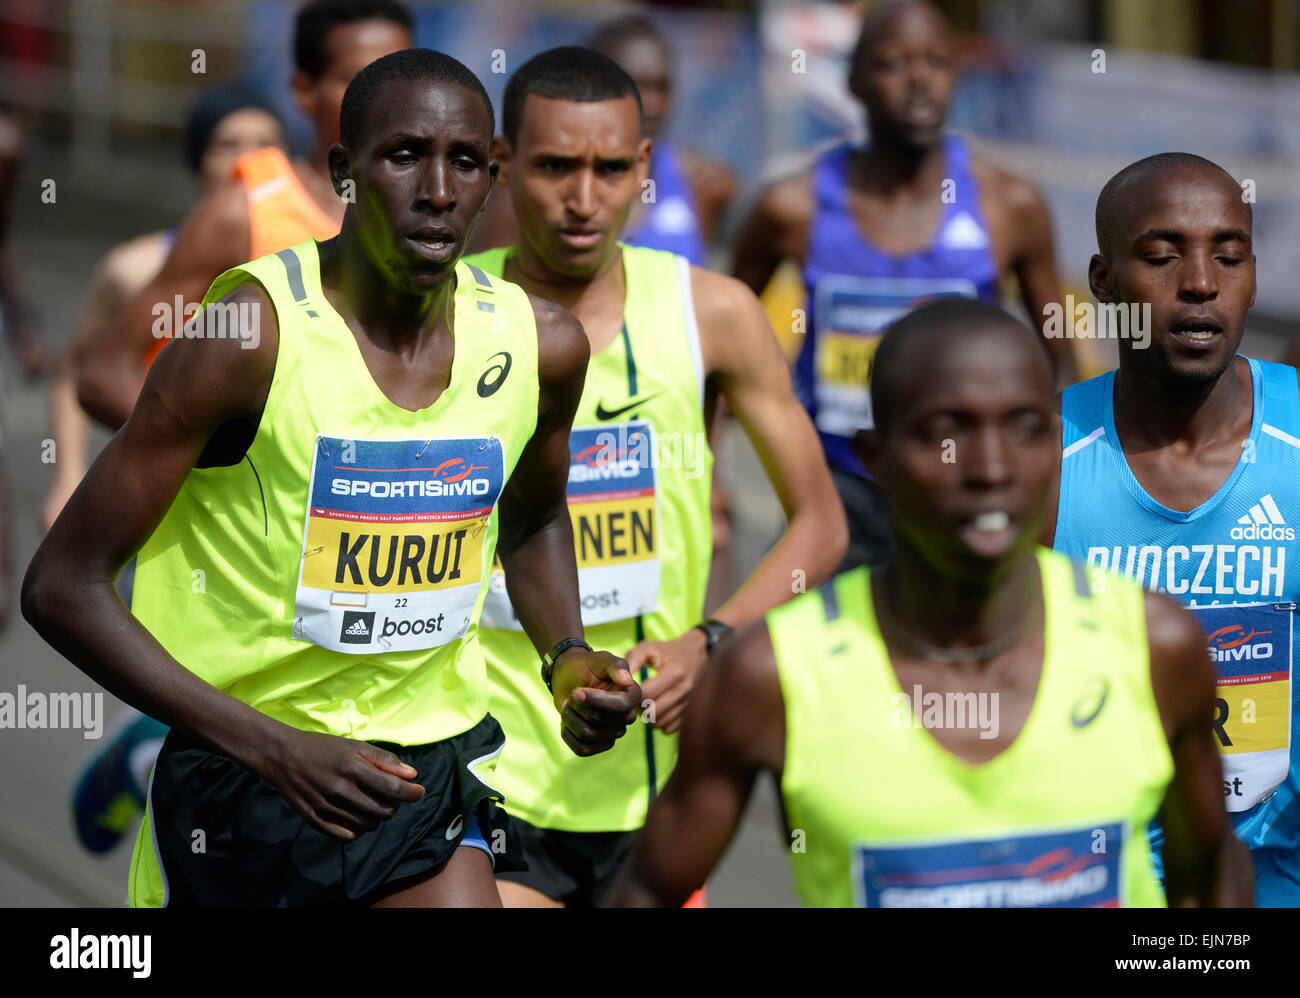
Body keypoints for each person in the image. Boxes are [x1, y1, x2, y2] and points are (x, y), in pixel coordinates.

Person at [23, 48, 642, 908]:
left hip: (420, 776)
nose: (437, 190)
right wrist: (272, 747)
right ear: (344, 172)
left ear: (491, 175)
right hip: (243, 777)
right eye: (404, 156)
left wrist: (568, 657)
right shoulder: (250, 338)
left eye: (465, 162)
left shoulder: (541, 345)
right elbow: (61, 585)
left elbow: (532, 520)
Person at [608, 298, 1251, 909]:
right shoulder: (770, 676)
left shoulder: (1151, 644)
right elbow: (646, 892)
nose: (991, 467)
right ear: (876, 458)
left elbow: (1210, 874)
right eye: (948, 433)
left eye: (1025, 429)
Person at [465, 47, 846, 908]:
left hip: (658, 787)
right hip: (488, 774)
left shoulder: (713, 314)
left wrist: (708, 641)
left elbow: (819, 526)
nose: (583, 197)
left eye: (609, 169)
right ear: (500, 164)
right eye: (556, 166)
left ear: (644, 168)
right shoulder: (448, 312)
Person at [732, 0, 1075, 572]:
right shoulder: (791, 207)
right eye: (894, 63)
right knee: (785, 652)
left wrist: (1056, 487)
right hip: (834, 495)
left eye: (937, 62)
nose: (919, 81)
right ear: (854, 82)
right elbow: (718, 347)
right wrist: (706, 473)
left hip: (967, 490)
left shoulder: (1008, 205)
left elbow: (1059, 357)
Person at [1049, 152, 1300, 907]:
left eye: (1230, 255)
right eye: (1162, 256)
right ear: (1102, 283)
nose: (1200, 282)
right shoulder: (1041, 457)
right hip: (1100, 884)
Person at [56, 84, 286, 855]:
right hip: (162, 501)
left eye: (265, 142)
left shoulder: (300, 261)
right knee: (193, 662)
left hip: (264, 512)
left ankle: (151, 751)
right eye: (229, 143)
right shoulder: (139, 267)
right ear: (197, 160)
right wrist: (67, 477)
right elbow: (82, 371)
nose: (249, 160)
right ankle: (155, 761)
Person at [76, 0, 413, 431]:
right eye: (359, 81)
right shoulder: (244, 209)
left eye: (402, 77)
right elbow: (105, 375)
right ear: (305, 90)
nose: (389, 100)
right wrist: (211, 475)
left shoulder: (439, 210)